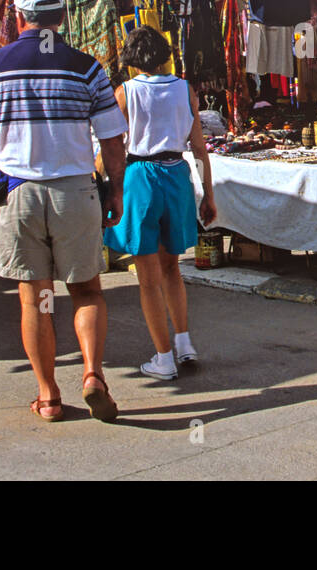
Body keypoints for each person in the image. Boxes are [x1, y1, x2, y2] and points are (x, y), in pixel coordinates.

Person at [0, 0, 128, 423]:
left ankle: (49, 396)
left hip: (18, 193)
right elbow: (113, 140)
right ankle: (93, 374)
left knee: (35, 300)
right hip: (75, 190)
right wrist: (116, 190)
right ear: (61, 15)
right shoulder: (87, 67)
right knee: (88, 291)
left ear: (19, 16)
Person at [104, 26, 216, 381]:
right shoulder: (185, 89)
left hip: (141, 176)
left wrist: (107, 187)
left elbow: (112, 147)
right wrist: (208, 193)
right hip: (177, 175)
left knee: (147, 278)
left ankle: (163, 358)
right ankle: (184, 344)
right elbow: (199, 148)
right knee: (172, 269)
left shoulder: (126, 92)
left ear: (132, 60)